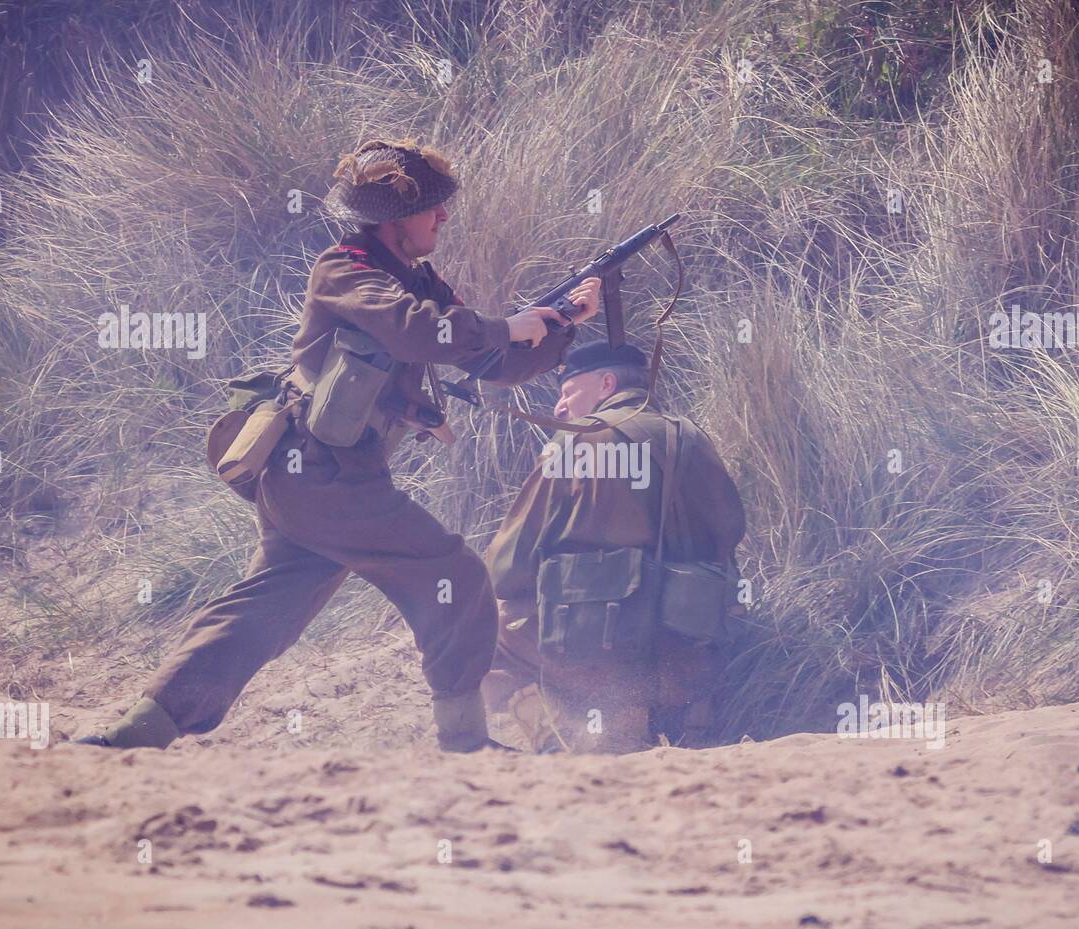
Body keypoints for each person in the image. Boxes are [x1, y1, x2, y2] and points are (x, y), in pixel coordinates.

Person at [77, 136, 602, 752]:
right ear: (391, 220)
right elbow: (418, 333)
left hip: (321, 479)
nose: (443, 216)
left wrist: (561, 325)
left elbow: (488, 360)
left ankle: (139, 731)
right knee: (455, 575)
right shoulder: (345, 269)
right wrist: (507, 324)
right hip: (322, 475)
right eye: (431, 207)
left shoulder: (414, 277)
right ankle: (464, 744)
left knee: (264, 611)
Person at [482, 341, 746, 752]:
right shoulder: (690, 438)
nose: (560, 408)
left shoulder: (573, 444)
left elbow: (506, 570)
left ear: (606, 384)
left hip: (594, 653)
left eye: (568, 392)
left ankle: (557, 734)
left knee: (479, 622)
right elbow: (728, 531)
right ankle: (688, 722)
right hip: (685, 655)